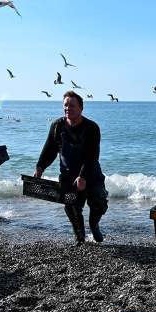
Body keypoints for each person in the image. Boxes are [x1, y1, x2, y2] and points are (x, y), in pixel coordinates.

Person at [34, 90, 108, 245]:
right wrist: (40, 168)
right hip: (67, 175)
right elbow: (49, 149)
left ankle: (94, 225)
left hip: (91, 173)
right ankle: (80, 237)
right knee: (71, 206)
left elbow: (93, 156)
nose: (68, 108)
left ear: (81, 108)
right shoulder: (57, 126)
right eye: (65, 105)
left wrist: (83, 176)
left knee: (100, 204)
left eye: (72, 105)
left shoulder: (92, 128)